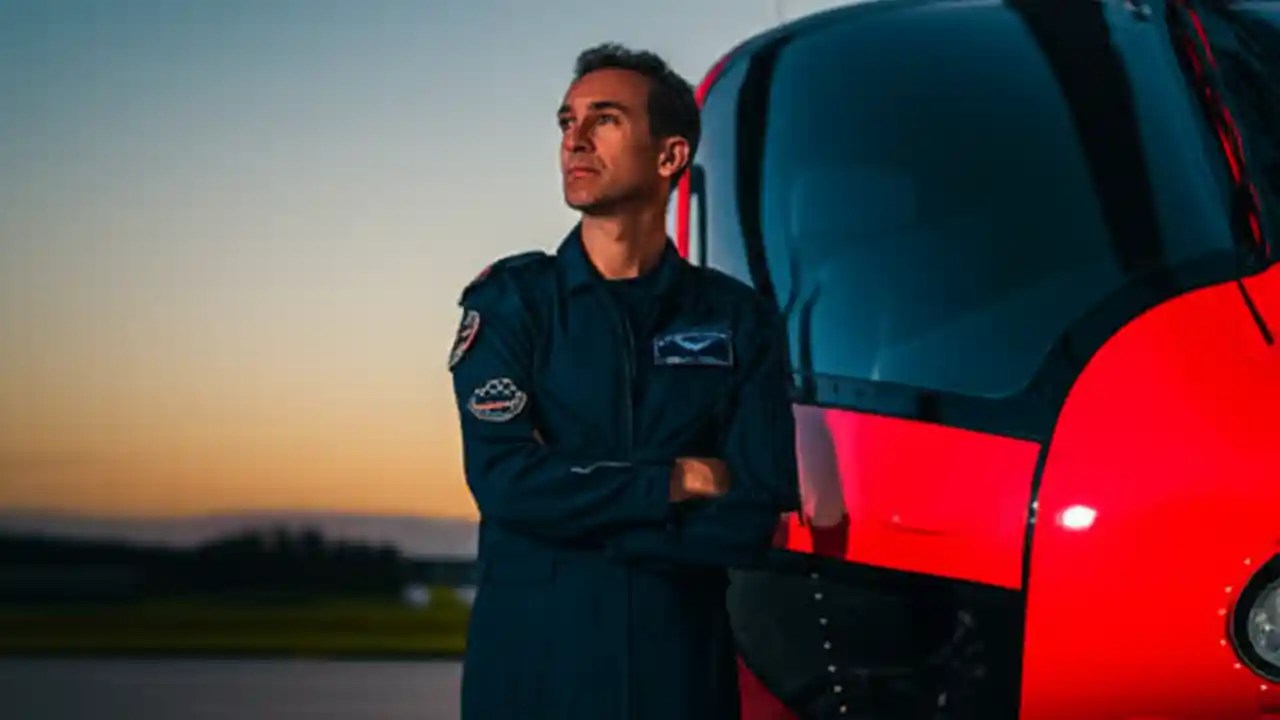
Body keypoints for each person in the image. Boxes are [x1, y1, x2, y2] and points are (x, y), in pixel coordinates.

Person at [447, 43, 800, 720]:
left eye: (603, 119)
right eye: (565, 122)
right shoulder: (513, 304)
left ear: (669, 157)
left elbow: (755, 514)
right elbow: (507, 483)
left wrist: (568, 519)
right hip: (532, 682)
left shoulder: (737, 320)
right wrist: (677, 480)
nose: (573, 139)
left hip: (679, 683)